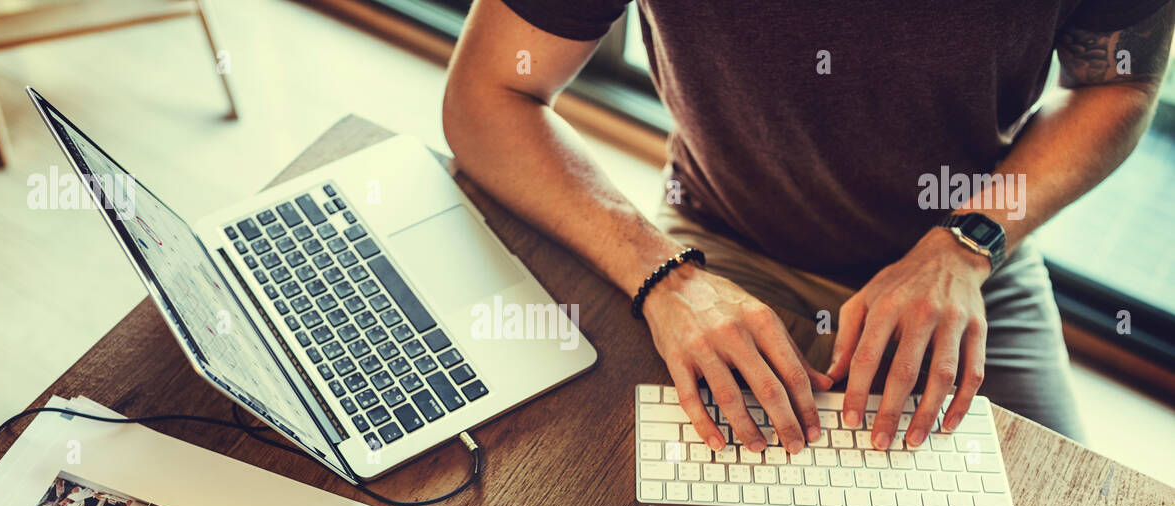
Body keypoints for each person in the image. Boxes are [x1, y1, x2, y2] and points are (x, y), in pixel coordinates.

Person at [443, 1, 1175, 452]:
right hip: (719, 239)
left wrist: (967, 244)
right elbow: (488, 96)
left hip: (974, 248)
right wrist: (664, 275)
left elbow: (1119, 84)